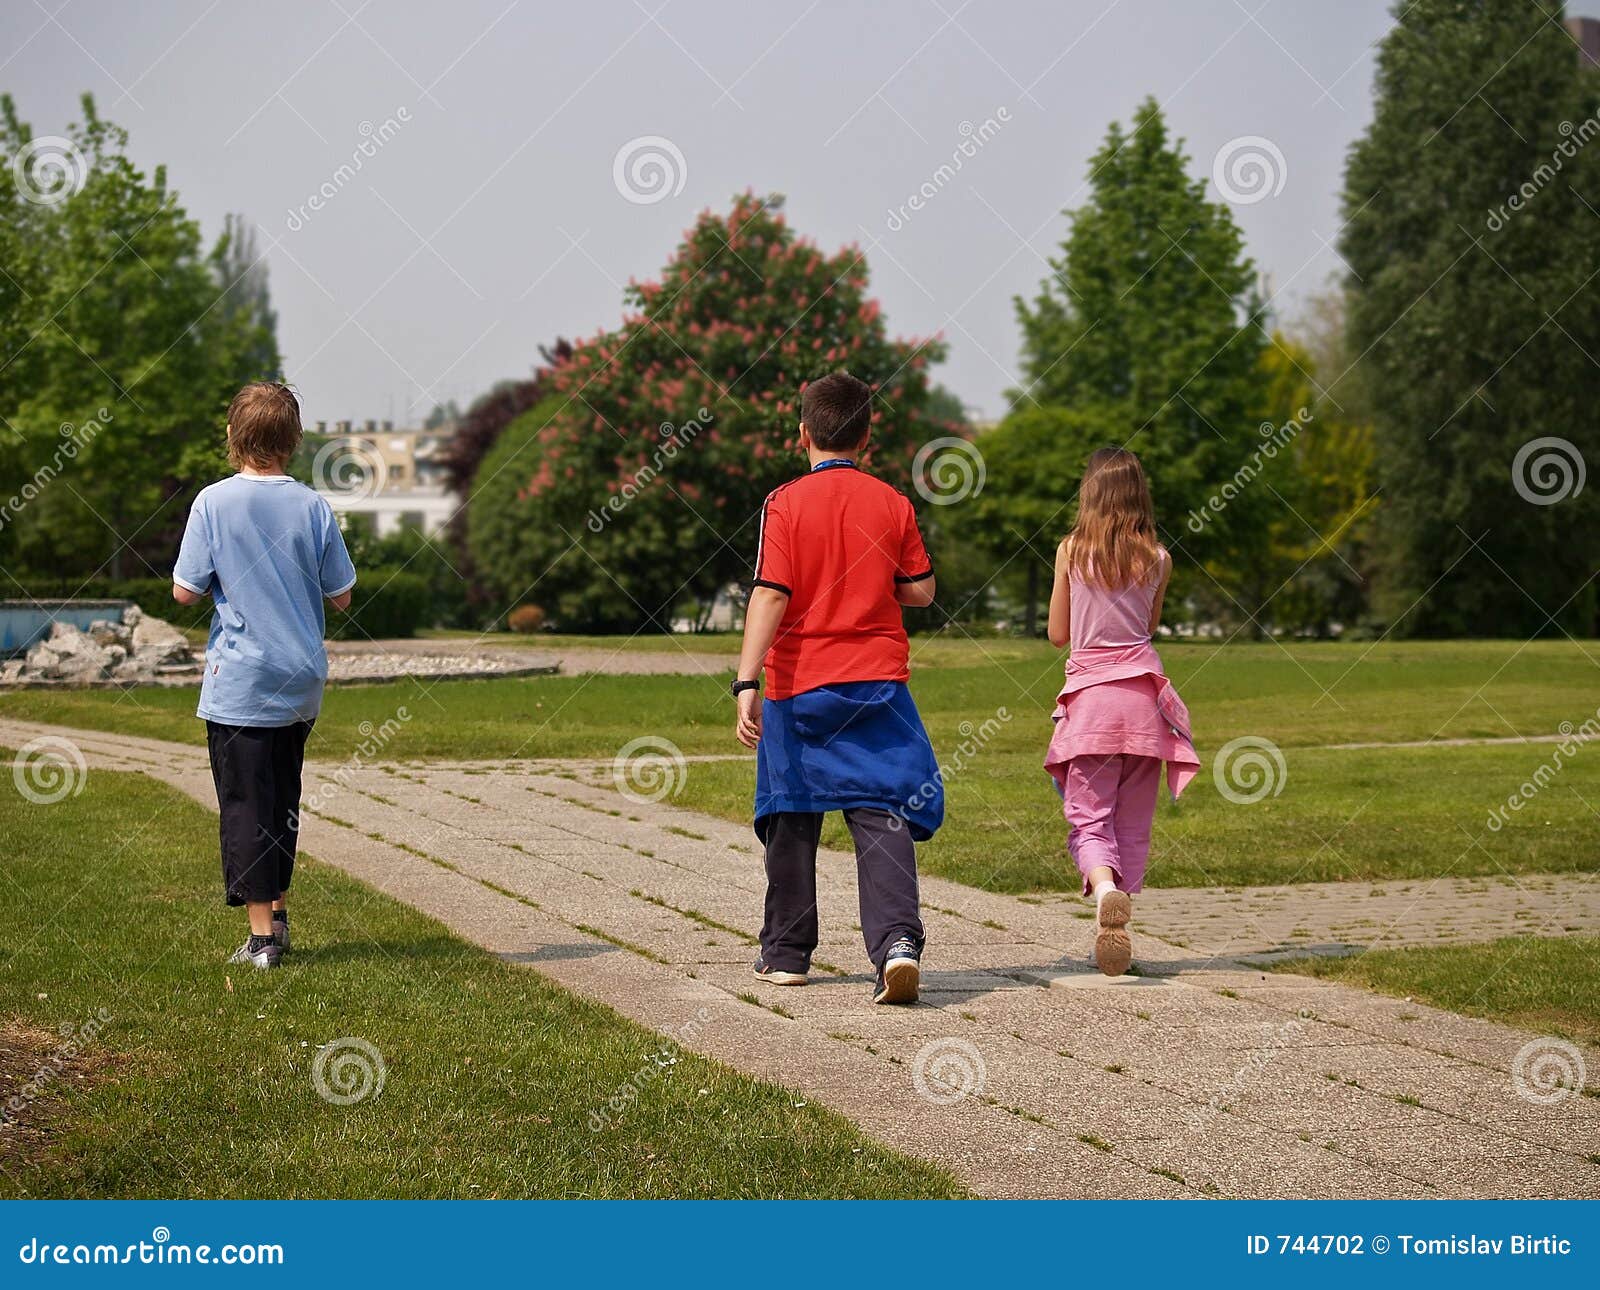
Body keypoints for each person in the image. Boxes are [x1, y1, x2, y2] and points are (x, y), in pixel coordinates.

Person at [732, 371, 941, 1005]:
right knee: (882, 810)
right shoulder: (892, 502)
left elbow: (772, 591)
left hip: (801, 684)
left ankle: (788, 955)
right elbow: (922, 591)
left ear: (803, 434)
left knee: (791, 812)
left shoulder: (785, 503)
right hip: (877, 682)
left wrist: (747, 680)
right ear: (867, 435)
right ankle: (897, 945)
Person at [172, 382, 356, 970]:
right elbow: (343, 594)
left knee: (247, 802)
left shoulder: (212, 503)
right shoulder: (313, 506)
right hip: (301, 679)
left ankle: (261, 941)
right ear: (294, 441)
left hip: (243, 680)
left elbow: (184, 591)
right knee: (283, 799)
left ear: (233, 436)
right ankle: (276, 912)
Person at [1043, 447, 1199, 976]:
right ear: (1140, 496)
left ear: (1089, 494)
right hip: (1143, 709)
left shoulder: (1071, 552)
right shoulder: (1158, 558)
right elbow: (1147, 627)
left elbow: (1057, 634)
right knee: (1133, 823)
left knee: (1088, 815)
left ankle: (1105, 887)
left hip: (1091, 706)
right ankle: (1119, 925)